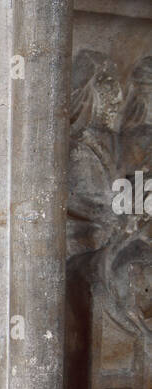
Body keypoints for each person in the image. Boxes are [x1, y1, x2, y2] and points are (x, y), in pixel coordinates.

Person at [67, 49, 123, 257]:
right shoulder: (77, 150)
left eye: (116, 103)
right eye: (107, 100)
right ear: (89, 99)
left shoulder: (101, 144)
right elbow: (94, 205)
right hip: (84, 244)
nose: (113, 108)